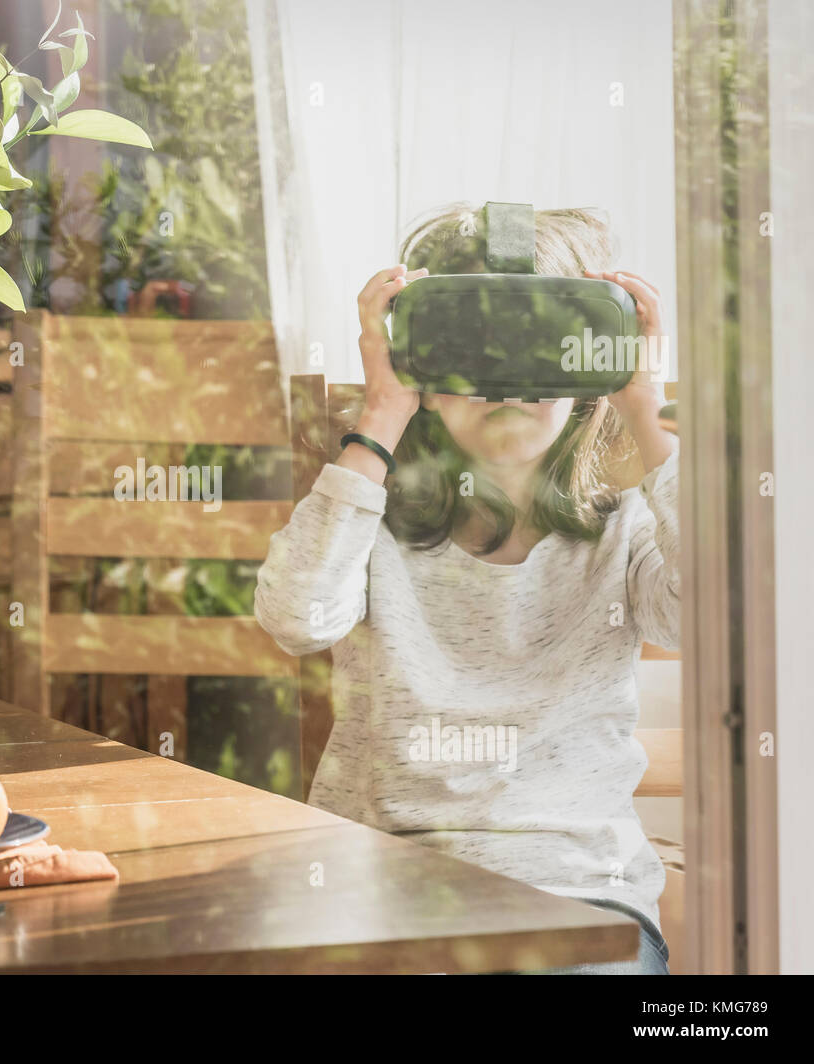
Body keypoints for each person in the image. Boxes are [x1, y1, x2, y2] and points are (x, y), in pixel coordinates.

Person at [255, 205, 677, 974]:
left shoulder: (625, 527)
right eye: (471, 345)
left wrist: (643, 408)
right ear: (421, 367)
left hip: (576, 894)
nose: (503, 380)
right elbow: (296, 616)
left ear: (587, 371)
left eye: (539, 344)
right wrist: (381, 412)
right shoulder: (368, 517)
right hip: (380, 889)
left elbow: (707, 616)